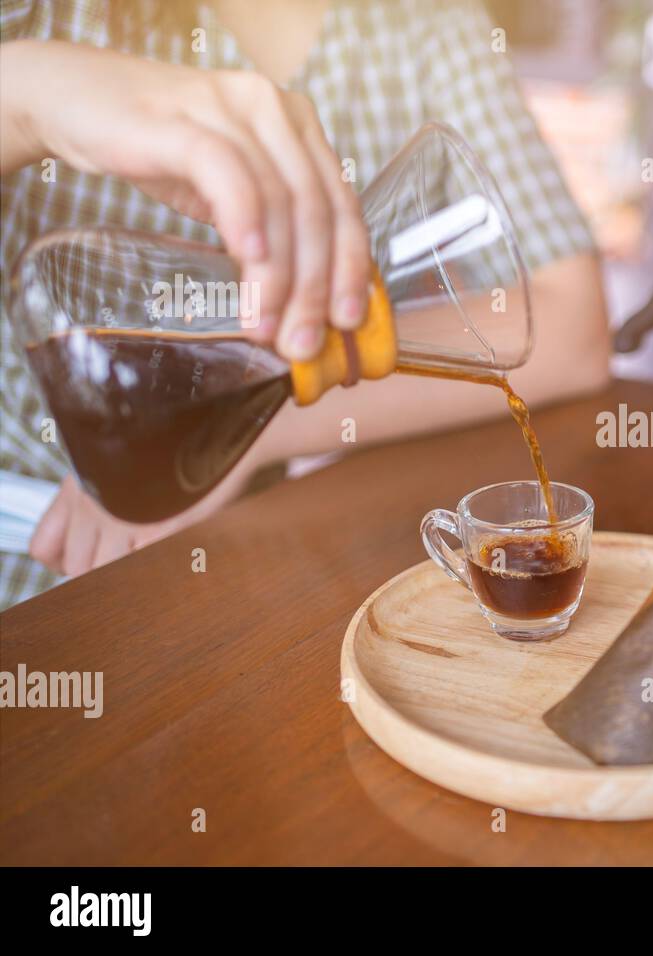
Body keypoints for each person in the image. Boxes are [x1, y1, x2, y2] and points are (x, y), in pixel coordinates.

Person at [0, 0, 611, 609]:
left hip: (245, 563)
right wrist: (30, 97)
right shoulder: (53, 15)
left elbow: (572, 326)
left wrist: (253, 429)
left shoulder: (427, 23)